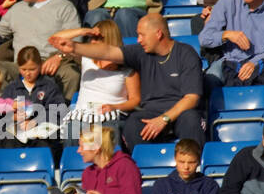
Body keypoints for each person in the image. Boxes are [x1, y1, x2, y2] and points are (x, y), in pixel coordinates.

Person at [52, 13, 205, 149]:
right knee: (133, 125)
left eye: (142, 35)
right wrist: (74, 47)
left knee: (191, 119)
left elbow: (192, 98)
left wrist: (164, 119)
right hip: (151, 111)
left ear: (158, 34)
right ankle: (146, 166)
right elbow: (107, 52)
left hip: (180, 111)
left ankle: (194, 167)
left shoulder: (186, 54)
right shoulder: (141, 52)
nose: (138, 39)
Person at [0, 0, 82, 100]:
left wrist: (59, 57)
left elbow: (75, 41)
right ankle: (7, 114)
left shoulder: (64, 7)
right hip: (21, 65)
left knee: (71, 74)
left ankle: (61, 114)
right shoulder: (16, 9)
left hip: (51, 63)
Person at [57, 19, 140, 141]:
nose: (92, 42)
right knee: (73, 130)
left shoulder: (127, 67)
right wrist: (83, 31)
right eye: (91, 38)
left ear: (109, 40)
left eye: (96, 38)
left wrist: (115, 107)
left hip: (111, 116)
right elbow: (57, 40)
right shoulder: (86, 58)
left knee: (102, 134)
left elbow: (135, 100)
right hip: (82, 114)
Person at [62, 124, 145, 194]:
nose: (78, 151)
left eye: (82, 147)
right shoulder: (88, 173)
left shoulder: (125, 166)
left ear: (96, 148)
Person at [0, 45, 70, 144]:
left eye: (32, 69)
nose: (27, 73)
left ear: (40, 66)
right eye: (23, 69)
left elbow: (57, 113)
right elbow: (0, 114)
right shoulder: (12, 88)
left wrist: (35, 122)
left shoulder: (49, 86)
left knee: (43, 144)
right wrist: (12, 117)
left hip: (41, 135)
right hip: (17, 134)